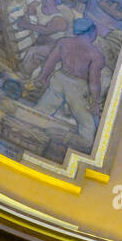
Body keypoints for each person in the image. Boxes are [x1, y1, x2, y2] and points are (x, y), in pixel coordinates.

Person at [34, 16, 103, 147]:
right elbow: (94, 81)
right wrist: (94, 102)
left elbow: (51, 61)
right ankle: (73, 140)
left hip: (59, 78)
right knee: (87, 127)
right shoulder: (95, 54)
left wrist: (42, 77)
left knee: (42, 110)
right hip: (76, 87)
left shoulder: (64, 42)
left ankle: (33, 127)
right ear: (92, 32)